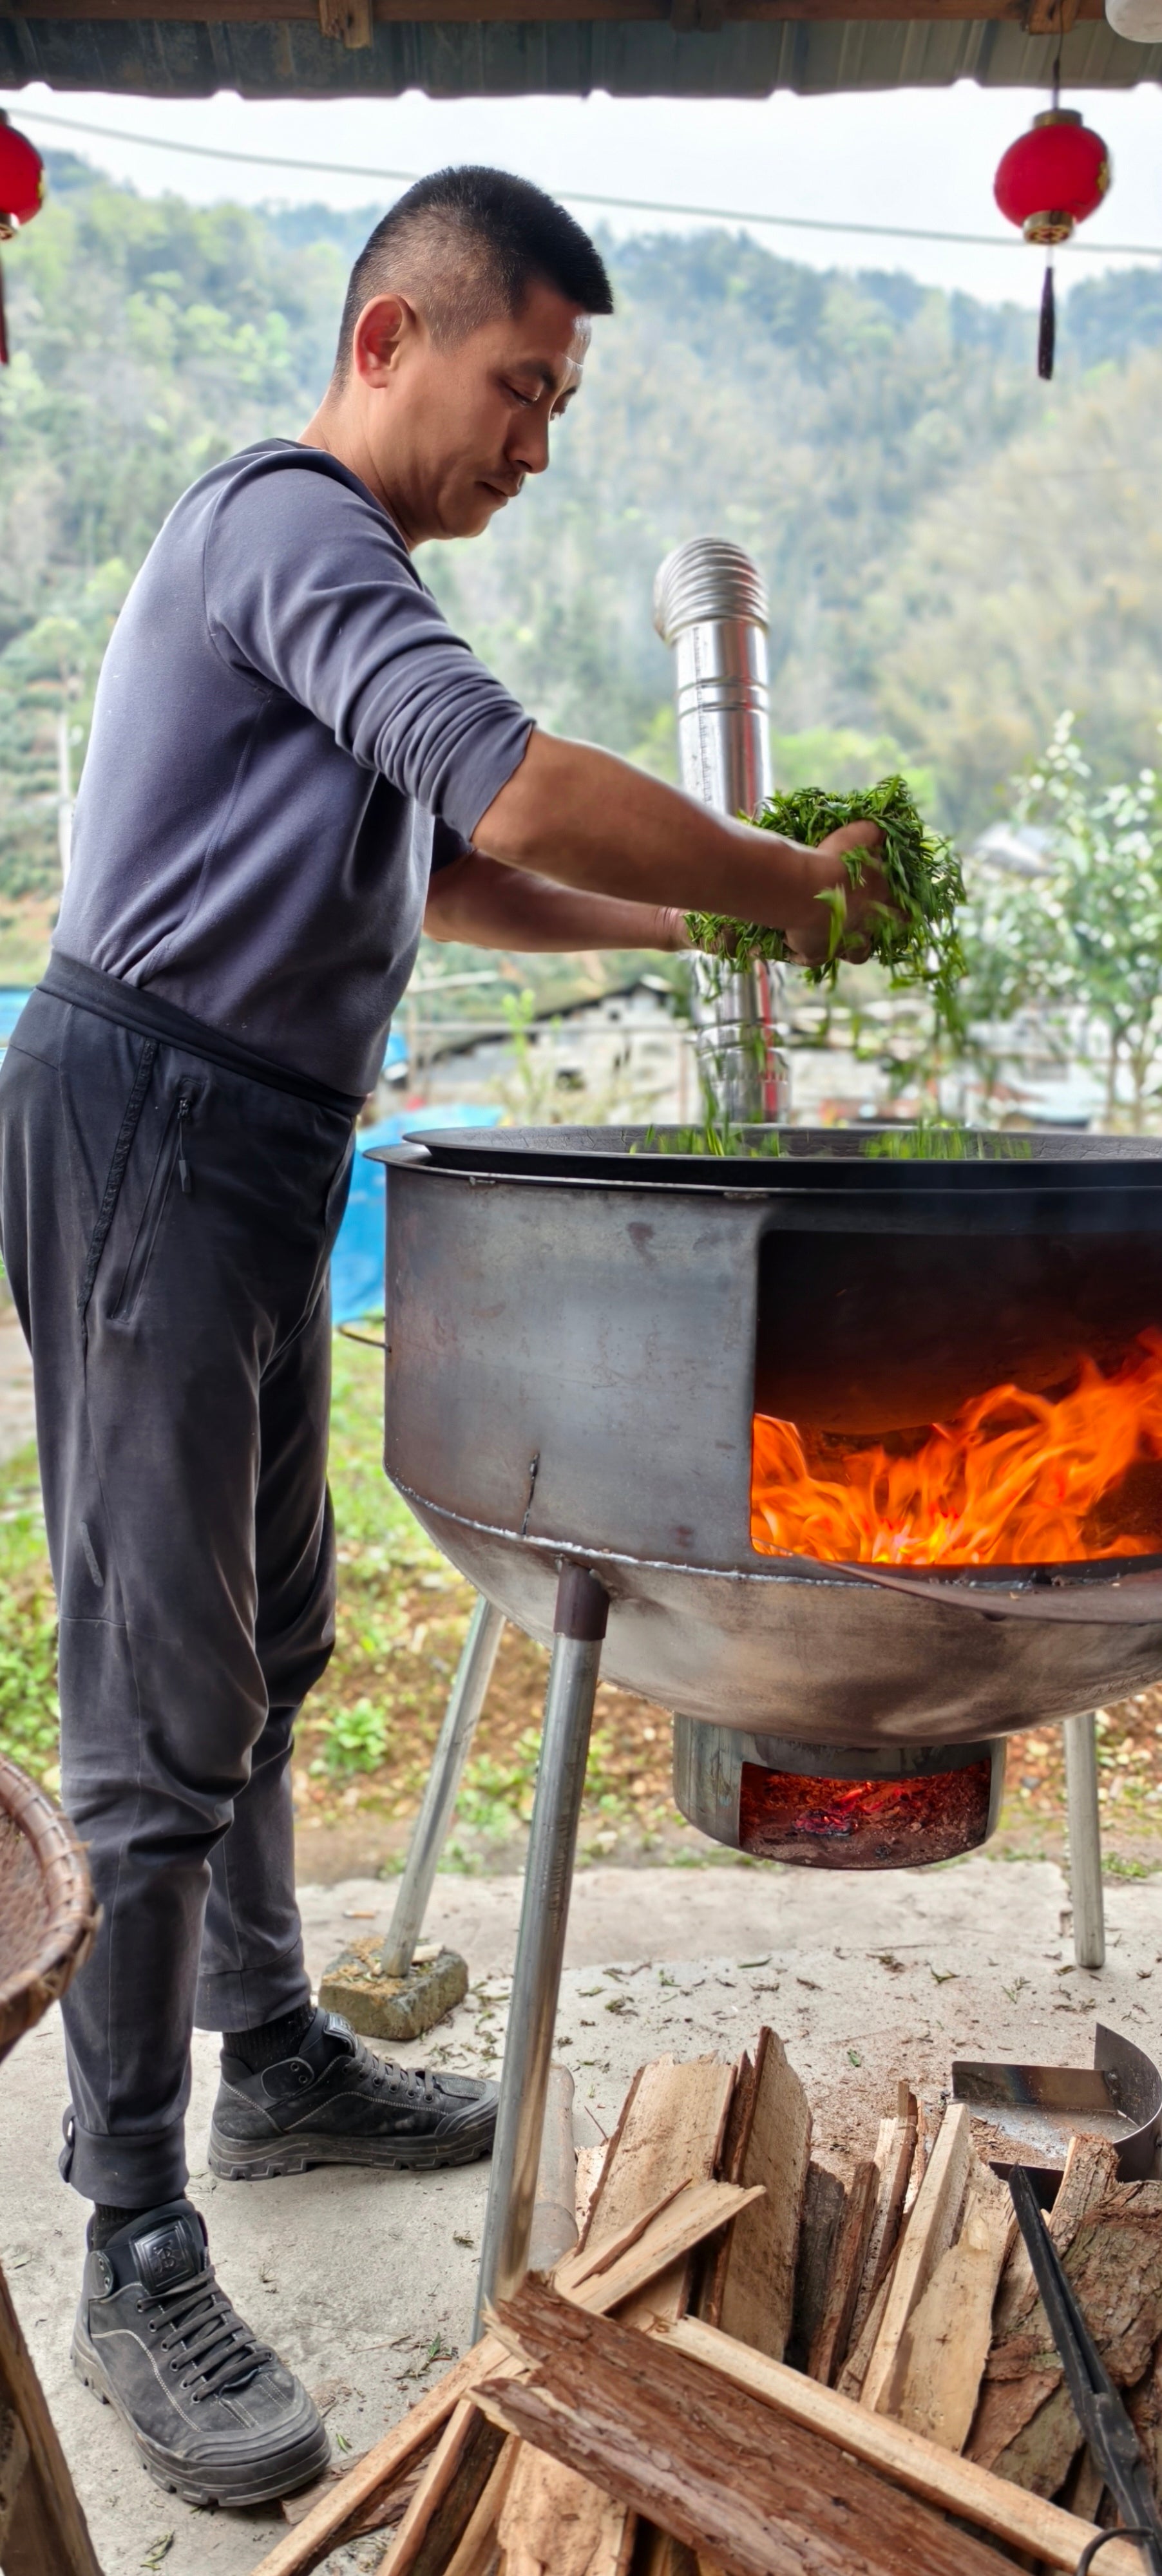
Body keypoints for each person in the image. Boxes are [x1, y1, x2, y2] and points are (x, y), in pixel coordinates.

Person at [0, 165, 888, 2510]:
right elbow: (497, 776)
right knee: (155, 1697)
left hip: (265, 1131)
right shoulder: (293, 529)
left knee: (273, 1642)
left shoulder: (345, 598)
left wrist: (713, 937)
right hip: (151, 1112)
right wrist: (777, 878)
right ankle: (127, 2232)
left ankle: (273, 2054)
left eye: (563, 408)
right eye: (520, 388)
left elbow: (457, 869)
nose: (535, 442)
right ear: (391, 339)